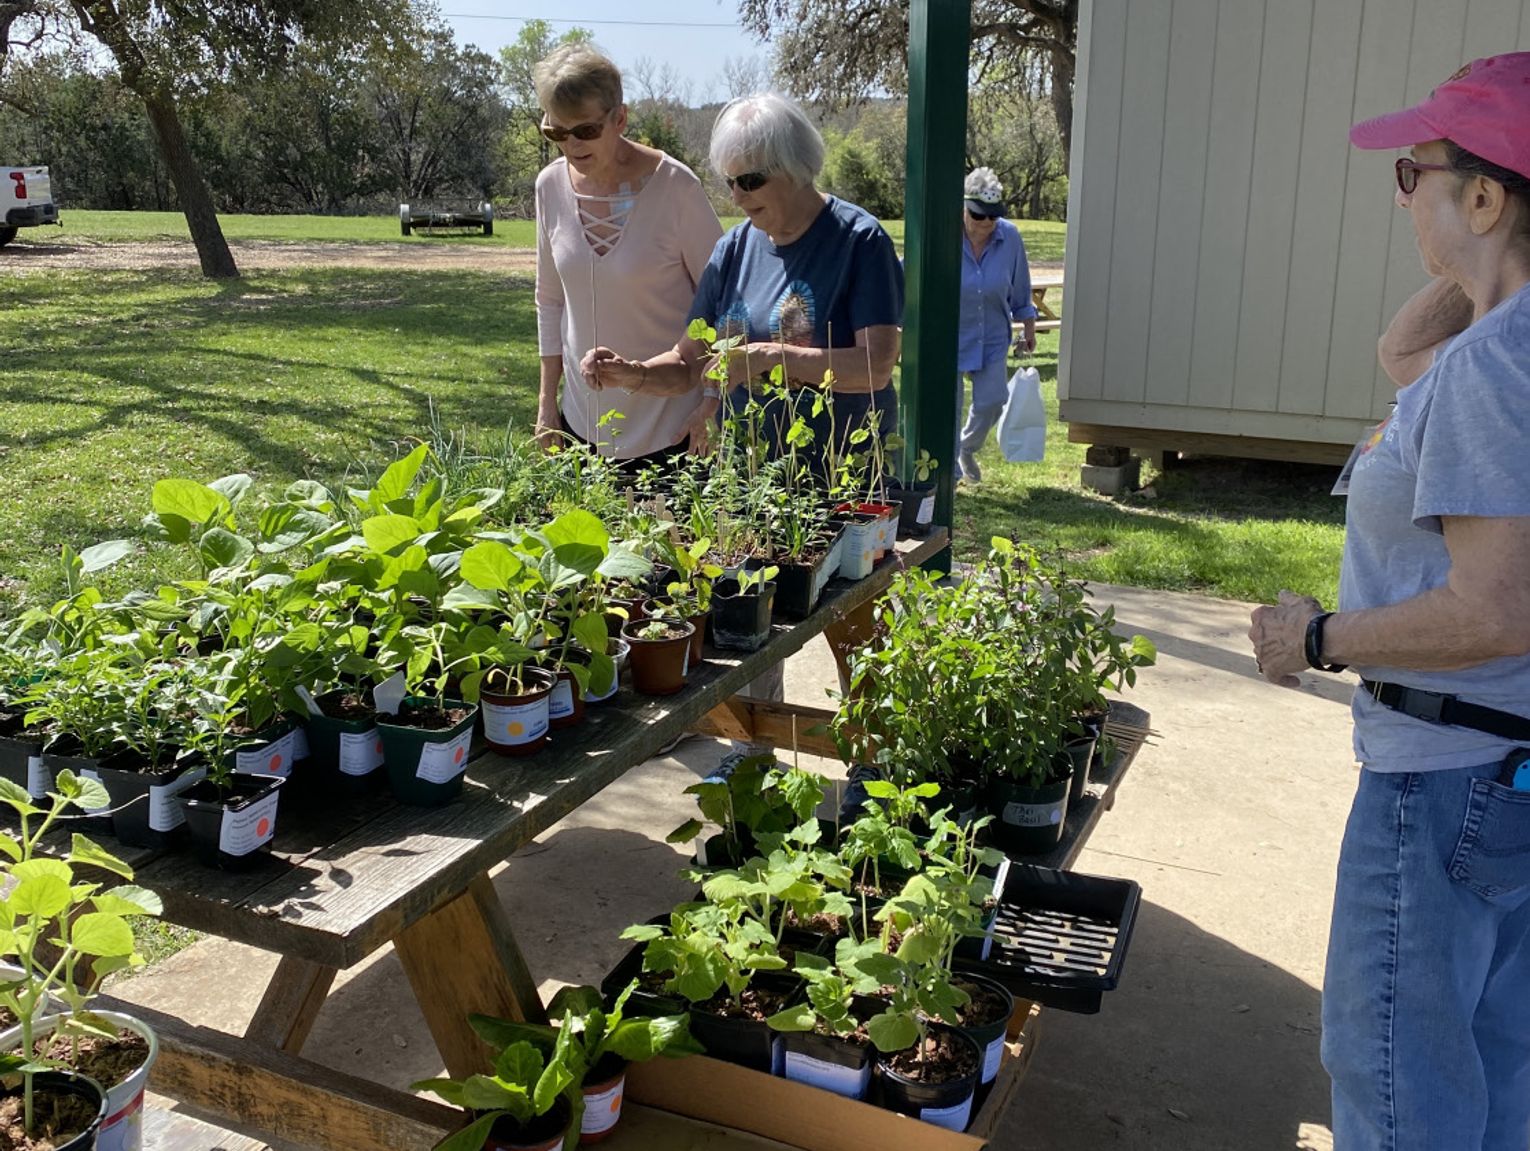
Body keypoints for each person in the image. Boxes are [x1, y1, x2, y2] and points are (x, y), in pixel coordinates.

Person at [1247, 53, 1530, 1151]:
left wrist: (1314, 636)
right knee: (1492, 1074)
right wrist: (1494, 266)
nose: (1403, 194)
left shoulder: (1495, 369)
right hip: (1500, 775)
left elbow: (1495, 609)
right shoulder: (1488, 347)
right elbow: (1401, 349)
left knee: (1397, 1087)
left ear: (1486, 194)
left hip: (1440, 779)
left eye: (1416, 173)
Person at [580, 91, 904, 691]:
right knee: (747, 629)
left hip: (843, 475)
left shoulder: (860, 240)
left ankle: (874, 766)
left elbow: (876, 366)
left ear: (795, 168)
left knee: (857, 628)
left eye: (750, 179)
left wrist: (770, 358)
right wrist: (633, 373)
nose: (736, 196)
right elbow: (692, 363)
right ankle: (751, 761)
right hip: (750, 475)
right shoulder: (733, 250)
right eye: (728, 182)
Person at [532, 44, 722, 467]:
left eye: (585, 131)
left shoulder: (677, 189)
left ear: (620, 119)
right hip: (581, 428)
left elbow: (723, 305)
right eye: (556, 133)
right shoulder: (549, 188)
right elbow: (549, 301)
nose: (571, 145)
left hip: (671, 430)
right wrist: (548, 407)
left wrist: (711, 401)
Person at [954, 166, 1037, 485]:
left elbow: (1020, 285)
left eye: (992, 216)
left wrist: (1028, 326)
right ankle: (951, 471)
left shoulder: (1009, 236)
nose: (987, 223)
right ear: (964, 209)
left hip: (991, 334)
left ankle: (966, 447)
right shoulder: (946, 233)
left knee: (993, 400)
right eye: (978, 216)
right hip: (950, 334)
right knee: (950, 407)